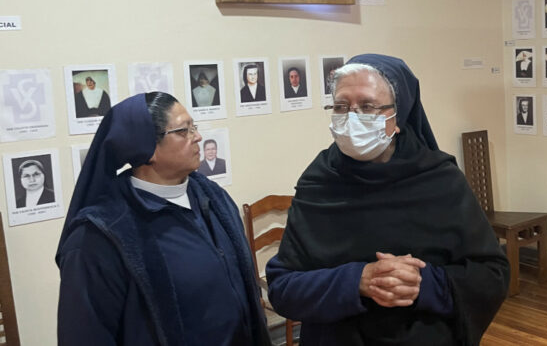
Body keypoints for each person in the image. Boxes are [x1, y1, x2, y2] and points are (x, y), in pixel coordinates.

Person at [265, 54, 509, 345]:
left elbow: (492, 275)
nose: (352, 118)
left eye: (367, 106)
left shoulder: (440, 180)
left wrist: (426, 284)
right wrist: (355, 281)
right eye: (342, 106)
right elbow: (283, 288)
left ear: (399, 114)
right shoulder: (318, 181)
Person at [56, 92, 271, 345]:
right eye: (183, 131)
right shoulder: (98, 237)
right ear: (146, 147)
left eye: (195, 127)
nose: (198, 137)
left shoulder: (214, 197)